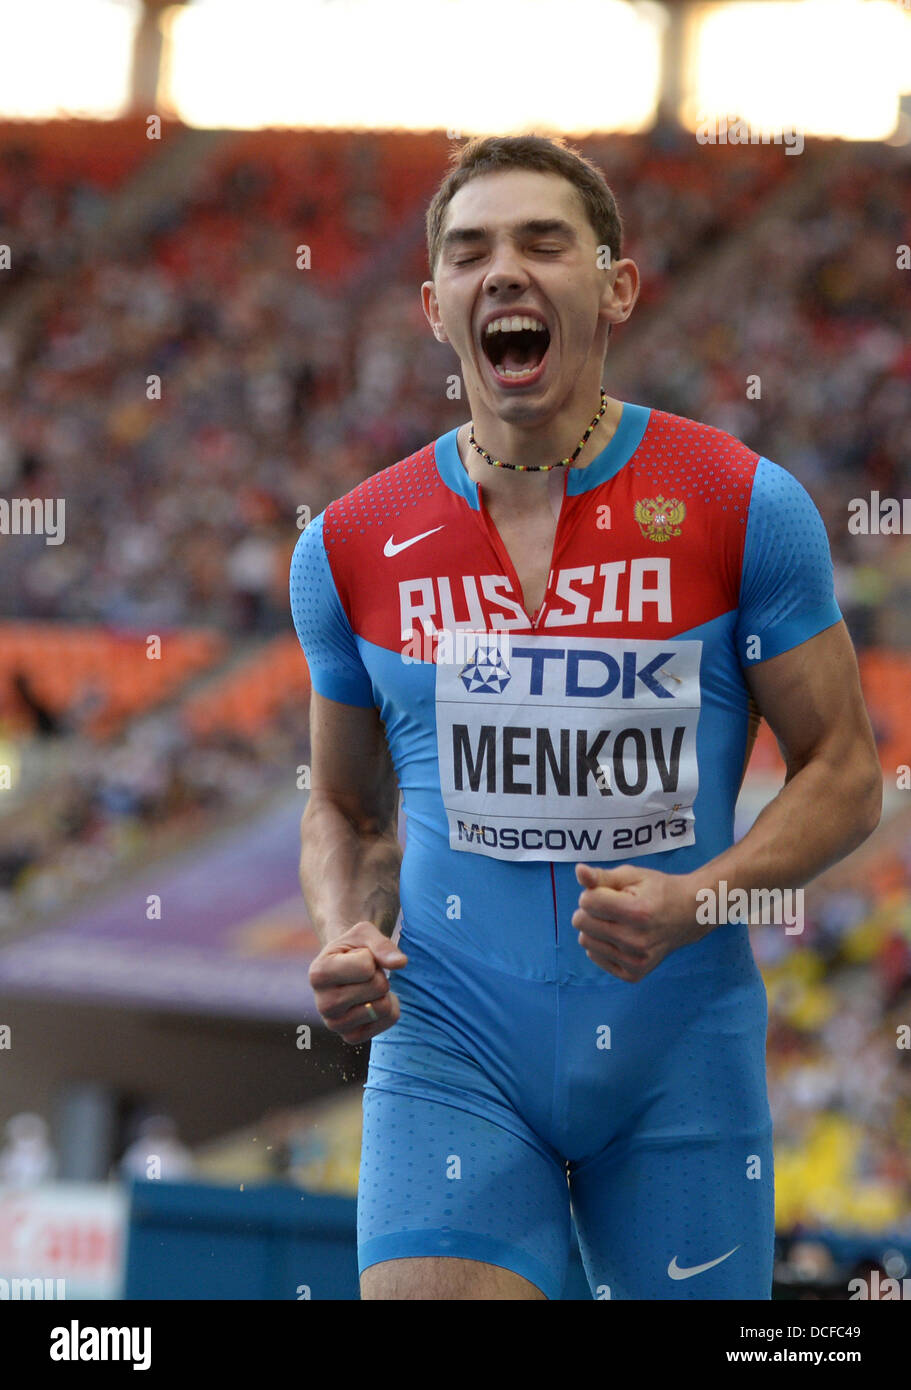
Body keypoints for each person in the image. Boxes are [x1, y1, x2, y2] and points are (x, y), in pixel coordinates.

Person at [290, 135, 881, 1300]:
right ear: (432, 305)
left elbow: (844, 772)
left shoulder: (736, 505)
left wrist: (693, 899)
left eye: (540, 242)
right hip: (451, 1042)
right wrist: (343, 930)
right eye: (469, 252)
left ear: (614, 285)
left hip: (677, 1052)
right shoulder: (351, 543)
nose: (502, 270)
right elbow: (349, 808)